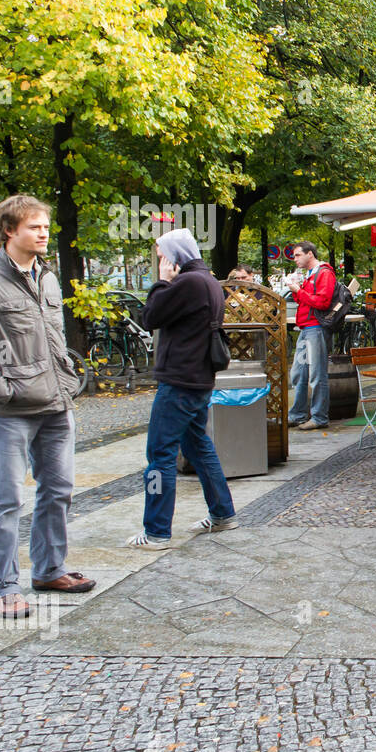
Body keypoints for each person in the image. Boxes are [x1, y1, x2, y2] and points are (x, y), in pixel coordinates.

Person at [0, 196, 91, 617]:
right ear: (10, 231)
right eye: (35, 226)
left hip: (55, 405)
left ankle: (50, 568)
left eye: (46, 226)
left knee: (59, 491)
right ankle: (2, 586)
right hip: (8, 411)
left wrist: (67, 378)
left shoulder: (47, 278)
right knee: (7, 500)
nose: (44, 233)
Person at [125, 229, 237, 550]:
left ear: (175, 256)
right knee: (199, 447)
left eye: (163, 256)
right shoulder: (209, 281)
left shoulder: (189, 283)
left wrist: (162, 280)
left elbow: (150, 316)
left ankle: (157, 531)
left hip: (179, 382)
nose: (160, 262)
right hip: (198, 379)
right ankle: (222, 513)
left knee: (159, 456)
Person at [287, 241, 335, 429]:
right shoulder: (311, 275)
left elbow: (322, 302)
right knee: (299, 372)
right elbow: (306, 300)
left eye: (298, 255)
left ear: (310, 254)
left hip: (315, 328)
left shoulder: (324, 273)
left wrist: (298, 290)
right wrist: (296, 289)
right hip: (306, 328)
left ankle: (319, 417)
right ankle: (298, 414)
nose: (295, 259)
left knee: (316, 374)